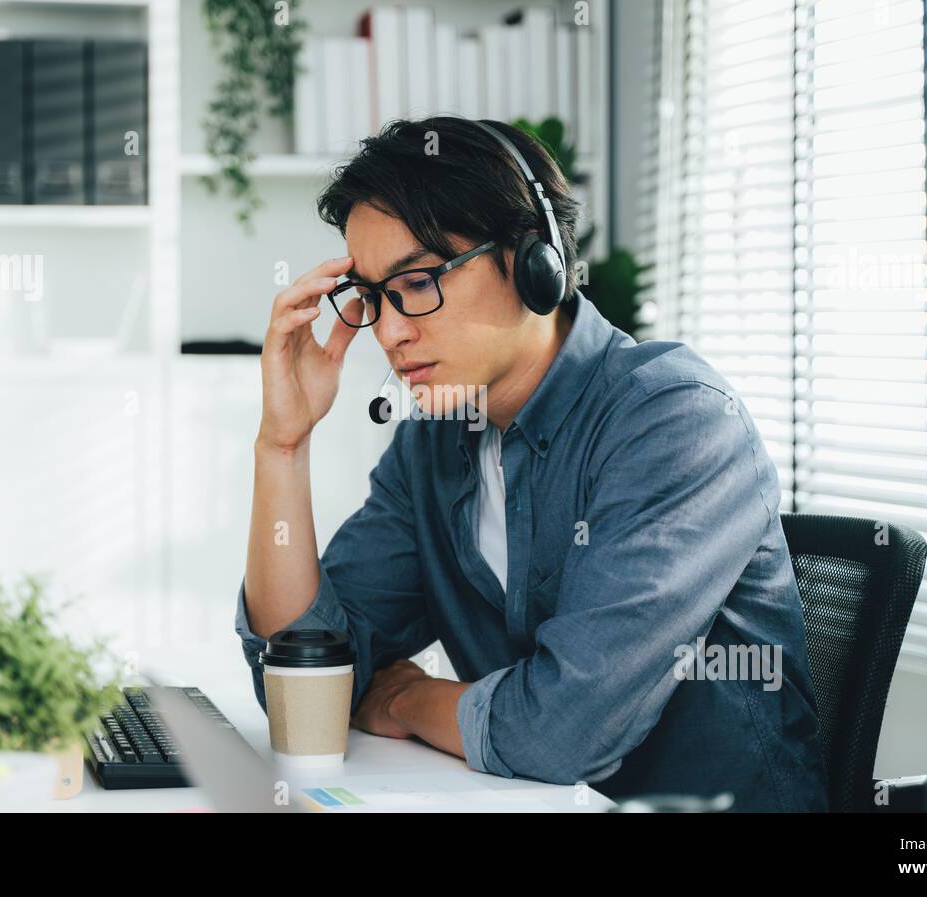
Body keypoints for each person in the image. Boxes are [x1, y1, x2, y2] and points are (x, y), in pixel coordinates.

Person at [234, 116, 829, 811]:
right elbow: (305, 684)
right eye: (371, 297)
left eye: (418, 281)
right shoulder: (433, 442)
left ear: (531, 261)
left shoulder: (674, 423)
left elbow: (561, 732)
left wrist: (407, 700)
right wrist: (283, 446)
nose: (391, 331)